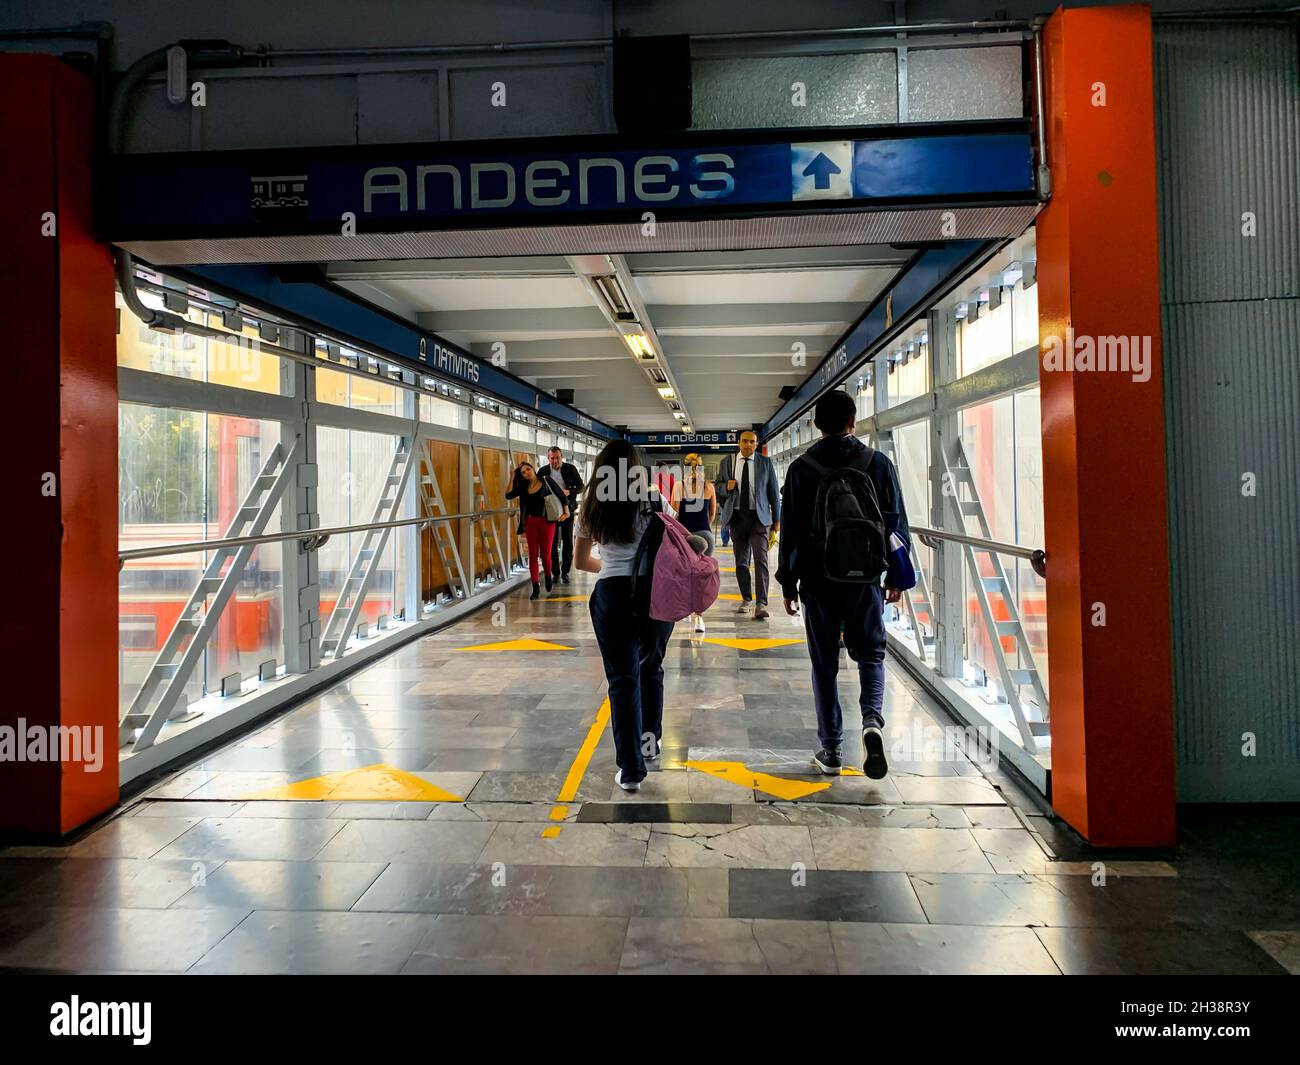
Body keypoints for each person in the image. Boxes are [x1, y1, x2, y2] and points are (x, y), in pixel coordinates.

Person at [776, 389, 910, 780]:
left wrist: (788, 582)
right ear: (854, 422)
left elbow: (793, 534)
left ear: (817, 425)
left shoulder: (801, 469)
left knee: (824, 664)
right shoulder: (878, 464)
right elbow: (895, 525)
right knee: (871, 653)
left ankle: (831, 748)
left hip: (818, 581)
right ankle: (871, 720)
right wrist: (897, 576)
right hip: (865, 579)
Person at [574, 440, 674, 792]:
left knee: (622, 680)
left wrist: (615, 568)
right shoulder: (655, 499)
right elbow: (675, 546)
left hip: (612, 596)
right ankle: (651, 743)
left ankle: (630, 770)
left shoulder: (592, 506)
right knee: (652, 668)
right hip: (655, 597)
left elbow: (581, 561)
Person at [714, 430, 781, 620]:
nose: (748, 445)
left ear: (757, 444)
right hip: (736, 517)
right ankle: (746, 598)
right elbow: (717, 487)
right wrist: (725, 488)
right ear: (738, 443)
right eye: (744, 441)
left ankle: (761, 603)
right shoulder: (727, 462)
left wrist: (777, 521)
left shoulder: (765, 463)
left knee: (761, 560)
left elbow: (774, 492)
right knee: (741, 562)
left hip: (759, 519)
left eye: (752, 442)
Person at [505, 460, 568, 600]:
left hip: (547, 522)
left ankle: (547, 575)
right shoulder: (523, 486)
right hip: (530, 523)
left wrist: (566, 512)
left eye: (528, 469)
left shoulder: (546, 481)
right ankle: (535, 587)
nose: (526, 473)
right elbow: (508, 495)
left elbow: (562, 496)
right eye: (523, 472)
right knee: (532, 555)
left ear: (533, 469)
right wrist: (512, 476)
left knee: (545, 554)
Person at [671, 452, 717, 634]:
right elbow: (712, 514)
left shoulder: (679, 486)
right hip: (705, 536)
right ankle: (699, 617)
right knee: (701, 578)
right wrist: (704, 529)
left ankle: (686, 610)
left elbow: (674, 513)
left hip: (685, 537)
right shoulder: (709, 487)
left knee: (684, 575)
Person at [544, 446, 585, 584]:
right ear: (548, 458)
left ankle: (565, 572)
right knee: (552, 543)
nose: (555, 461)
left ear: (562, 457)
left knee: (567, 541)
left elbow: (581, 486)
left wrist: (569, 491)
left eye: (557, 458)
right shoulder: (543, 471)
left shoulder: (570, 469)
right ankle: (555, 572)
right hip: (551, 512)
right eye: (552, 458)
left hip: (567, 510)